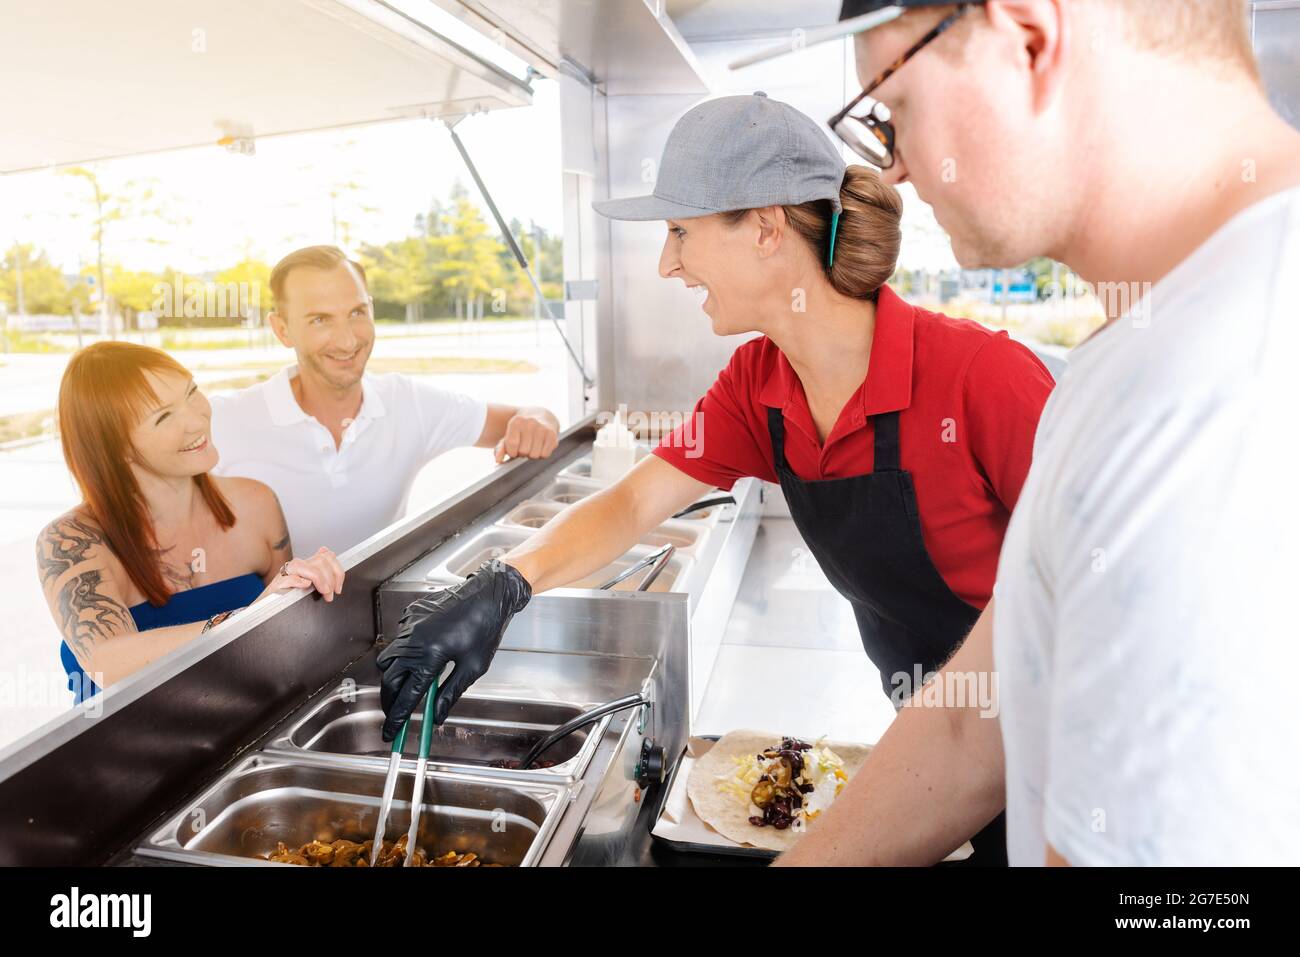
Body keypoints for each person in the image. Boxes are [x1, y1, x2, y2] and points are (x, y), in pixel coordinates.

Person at [375, 93, 1056, 864]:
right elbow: (635, 499)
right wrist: (501, 585)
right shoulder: (757, 382)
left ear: (767, 228)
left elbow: (1105, 603)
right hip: (934, 749)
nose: (668, 262)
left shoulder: (982, 379)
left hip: (1067, 758)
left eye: (680, 231)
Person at [752, 0, 1300, 866]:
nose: (892, 172)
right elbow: (978, 720)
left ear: (1029, 39)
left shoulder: (1225, 390)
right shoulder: (1140, 356)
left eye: (892, 113)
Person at [37, 342, 345, 702]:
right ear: (115, 447)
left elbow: (282, 642)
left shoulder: (256, 503)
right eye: (163, 417)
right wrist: (243, 620)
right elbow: (108, 663)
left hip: (240, 725)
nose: (197, 420)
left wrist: (303, 590)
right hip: (124, 749)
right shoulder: (72, 540)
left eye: (192, 392)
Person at [208, 245, 563, 557]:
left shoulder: (407, 402)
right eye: (320, 320)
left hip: (377, 619)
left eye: (357, 313)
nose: (347, 341)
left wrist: (538, 419)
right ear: (282, 329)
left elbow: (524, 416)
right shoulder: (225, 420)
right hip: (263, 624)